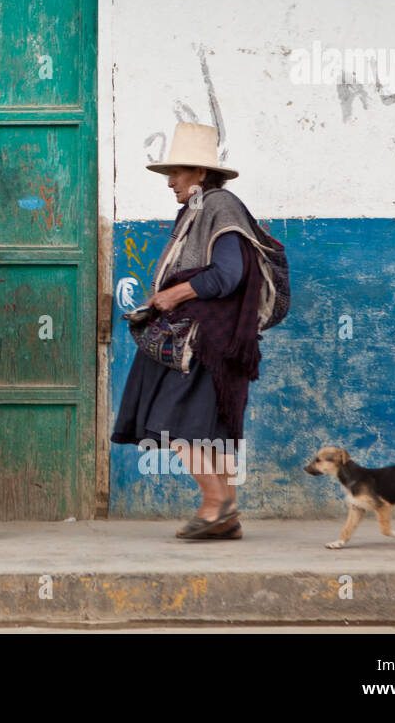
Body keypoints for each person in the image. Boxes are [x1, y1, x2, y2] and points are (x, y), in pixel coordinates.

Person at [112, 122, 274, 540]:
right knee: (208, 430)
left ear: (201, 174)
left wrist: (173, 296)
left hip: (203, 341)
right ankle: (229, 513)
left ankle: (213, 504)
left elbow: (227, 276)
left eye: (177, 173)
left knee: (176, 424)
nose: (170, 182)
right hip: (205, 340)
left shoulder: (221, 206)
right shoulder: (200, 210)